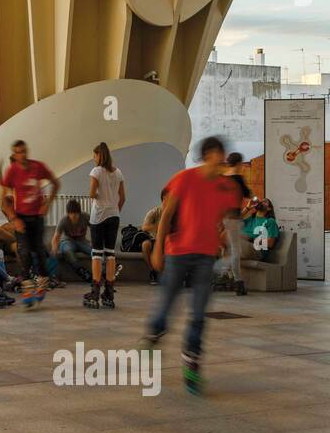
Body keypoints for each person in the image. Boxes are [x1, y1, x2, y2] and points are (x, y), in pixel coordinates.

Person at [142, 136, 242, 396]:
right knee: (167, 303)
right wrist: (157, 248)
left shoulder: (225, 188)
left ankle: (192, 363)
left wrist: (221, 238)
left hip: (205, 257)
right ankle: (154, 333)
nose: (222, 159)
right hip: (178, 253)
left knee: (198, 314)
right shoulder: (185, 179)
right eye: (219, 154)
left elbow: (221, 217)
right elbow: (166, 215)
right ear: (208, 155)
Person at [0, 140, 60, 291]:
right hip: (21, 217)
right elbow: (2, 199)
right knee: (24, 251)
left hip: (37, 217)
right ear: (14, 154)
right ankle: (26, 282)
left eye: (24, 151)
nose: (22, 155)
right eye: (18, 152)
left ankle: (43, 280)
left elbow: (55, 183)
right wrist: (14, 219)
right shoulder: (12, 171)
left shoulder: (38, 167)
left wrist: (48, 203)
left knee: (39, 250)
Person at [85, 142, 126, 309]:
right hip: (113, 216)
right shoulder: (118, 172)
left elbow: (92, 193)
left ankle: (95, 292)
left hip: (99, 216)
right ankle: (109, 292)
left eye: (94, 155)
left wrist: (97, 194)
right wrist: (115, 210)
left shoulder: (96, 171)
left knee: (96, 253)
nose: (93, 159)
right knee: (110, 254)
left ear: (98, 155)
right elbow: (122, 197)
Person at [218, 152, 253, 296]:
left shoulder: (222, 179)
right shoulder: (237, 179)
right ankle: (237, 281)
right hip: (234, 219)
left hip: (223, 218)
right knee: (236, 250)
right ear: (238, 164)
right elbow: (248, 194)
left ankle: (224, 274)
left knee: (229, 249)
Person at [52, 199, 92, 282]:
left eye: (76, 213)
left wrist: (96, 242)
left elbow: (95, 229)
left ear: (79, 213)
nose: (74, 216)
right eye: (71, 214)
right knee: (67, 250)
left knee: (95, 250)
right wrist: (54, 250)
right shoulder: (64, 220)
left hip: (82, 241)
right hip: (68, 241)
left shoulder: (85, 217)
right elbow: (56, 237)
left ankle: (104, 270)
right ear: (68, 213)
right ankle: (81, 271)